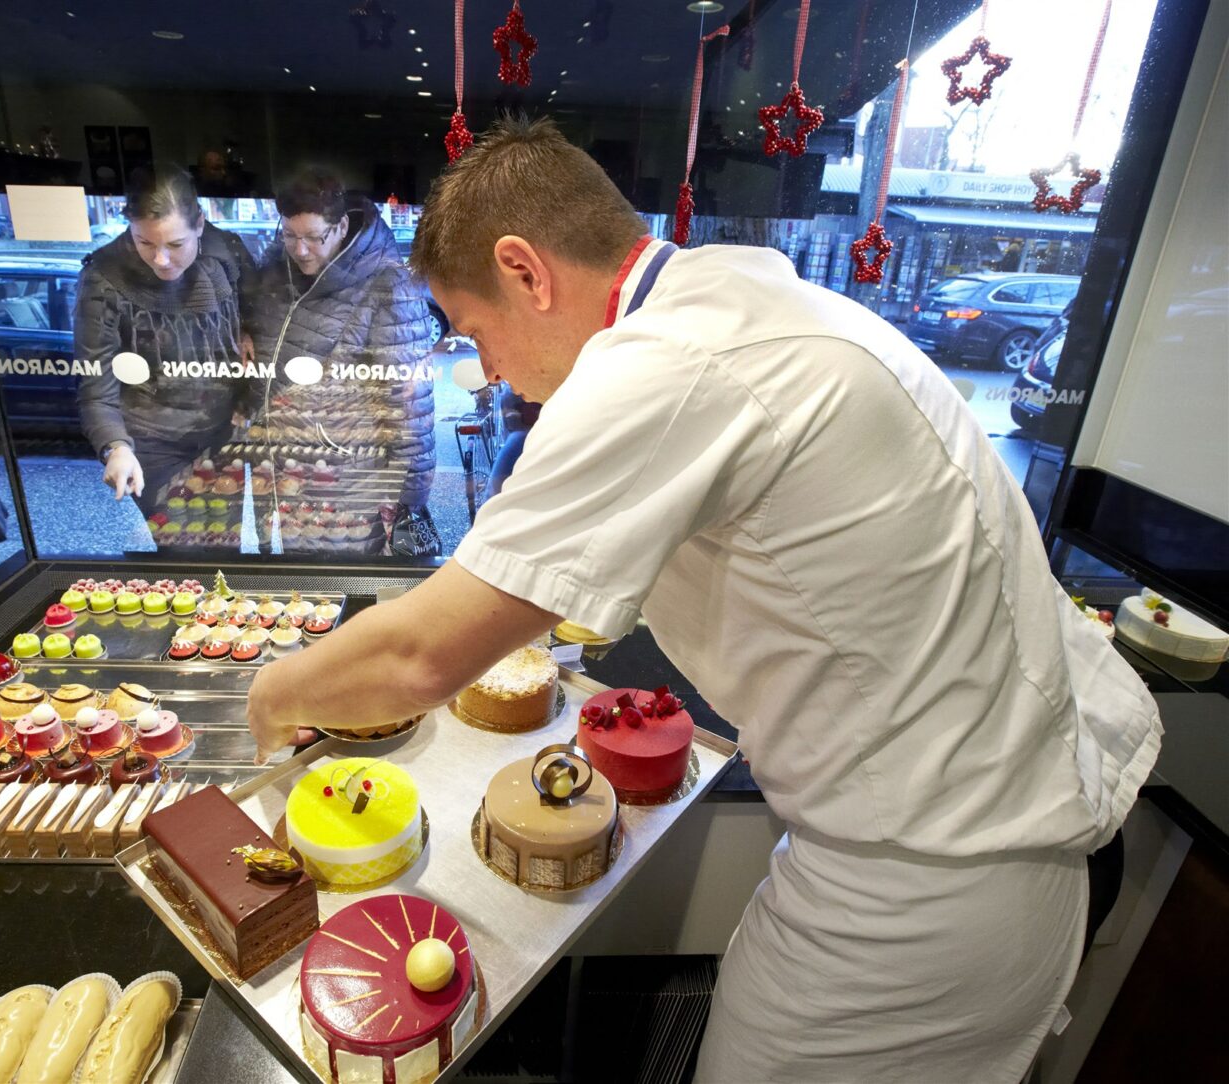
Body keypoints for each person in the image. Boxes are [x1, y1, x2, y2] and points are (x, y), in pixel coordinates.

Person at [246, 118, 1160, 1081]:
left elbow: (415, 659)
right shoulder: (743, 298)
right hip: (1018, 816)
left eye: (476, 333)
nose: (490, 372)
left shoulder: (664, 364)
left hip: (929, 880)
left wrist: (275, 696)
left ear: (527, 271)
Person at [249, 168, 437, 555]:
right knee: (303, 598)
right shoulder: (273, 276)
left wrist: (408, 498)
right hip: (285, 475)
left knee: (353, 590)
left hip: (353, 481)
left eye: (314, 238)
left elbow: (408, 404)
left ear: (341, 226)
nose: (300, 250)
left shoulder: (387, 285)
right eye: (290, 236)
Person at [76, 164, 255, 513]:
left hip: (222, 432)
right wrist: (116, 447)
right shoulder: (103, 278)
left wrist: (245, 330)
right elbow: (95, 382)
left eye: (176, 244)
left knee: (224, 540)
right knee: (182, 547)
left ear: (200, 224)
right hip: (151, 440)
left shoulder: (228, 255)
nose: (161, 259)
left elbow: (260, 308)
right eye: (144, 242)